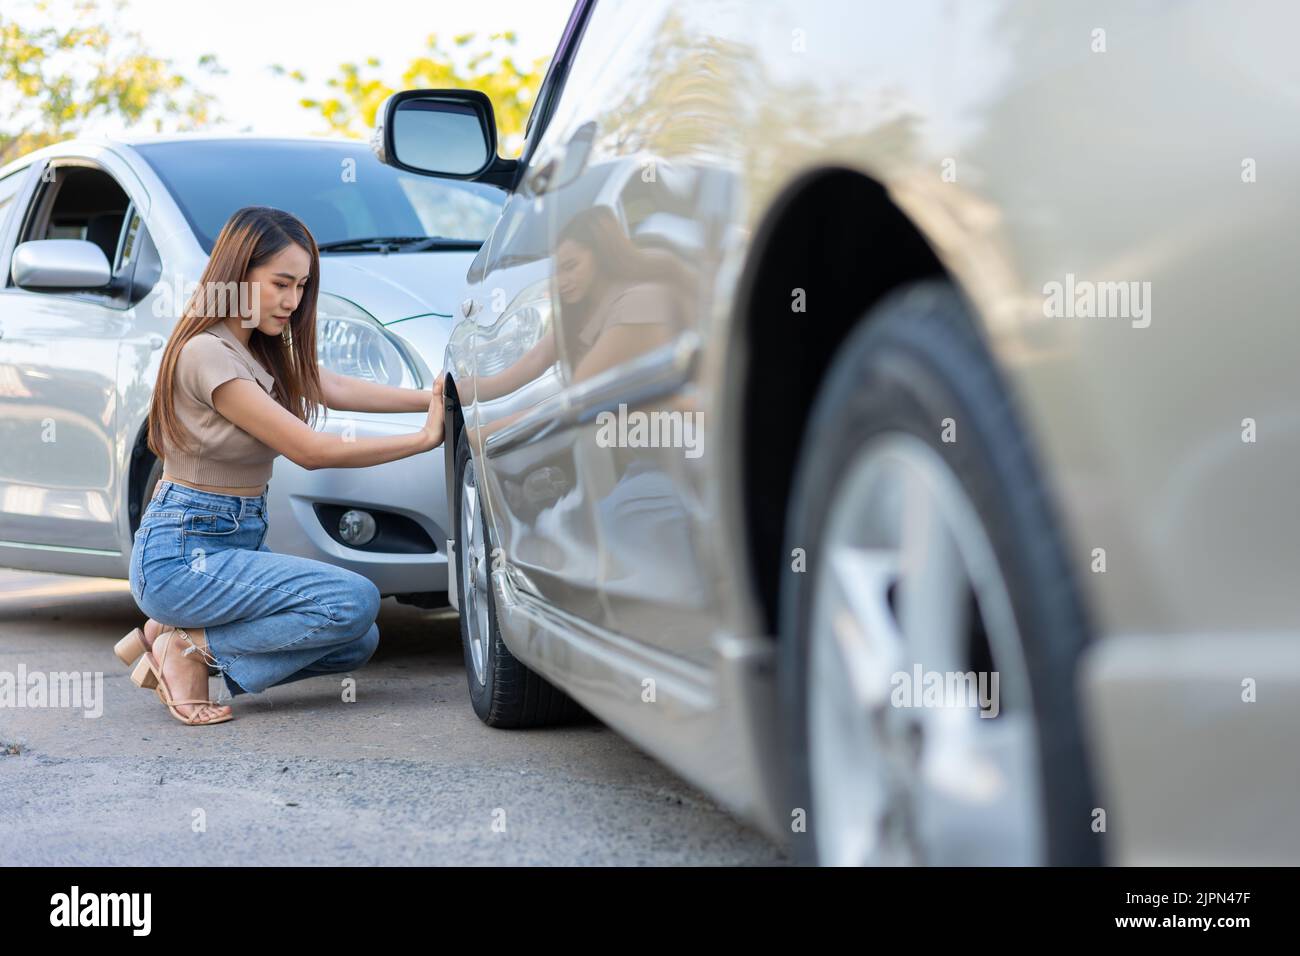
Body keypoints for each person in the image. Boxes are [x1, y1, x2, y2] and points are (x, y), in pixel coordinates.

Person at [119, 205, 444, 725]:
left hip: (236, 537)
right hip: (182, 552)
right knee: (355, 600)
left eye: (301, 287)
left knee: (356, 641)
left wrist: (434, 398)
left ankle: (180, 640)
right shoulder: (207, 353)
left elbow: (332, 386)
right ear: (238, 274)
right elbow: (310, 451)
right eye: (280, 284)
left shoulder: (260, 350)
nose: (293, 301)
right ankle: (186, 649)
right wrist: (423, 439)